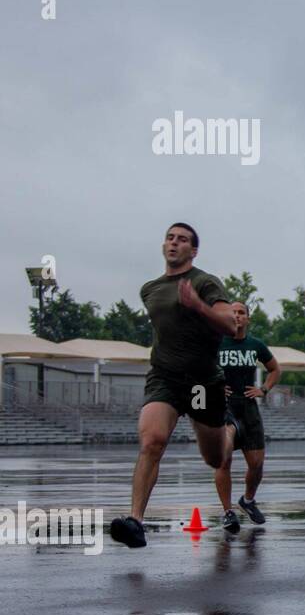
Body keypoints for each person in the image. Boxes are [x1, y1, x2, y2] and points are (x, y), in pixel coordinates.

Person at [110, 223, 238, 548]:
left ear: (193, 251)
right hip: (165, 377)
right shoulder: (150, 289)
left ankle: (228, 432)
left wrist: (198, 305)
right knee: (152, 441)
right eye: (169, 237)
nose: (174, 243)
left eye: (182, 240)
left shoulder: (205, 283)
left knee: (214, 459)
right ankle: (135, 521)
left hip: (201, 384)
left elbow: (230, 325)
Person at [214, 301, 281, 532]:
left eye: (241, 312)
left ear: (248, 319)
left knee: (257, 463)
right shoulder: (216, 343)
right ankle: (228, 512)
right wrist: (213, 386)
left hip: (249, 407)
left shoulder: (255, 345)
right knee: (224, 458)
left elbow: (275, 369)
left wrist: (263, 389)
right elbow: (198, 368)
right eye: (233, 312)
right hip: (224, 408)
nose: (237, 316)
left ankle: (248, 500)